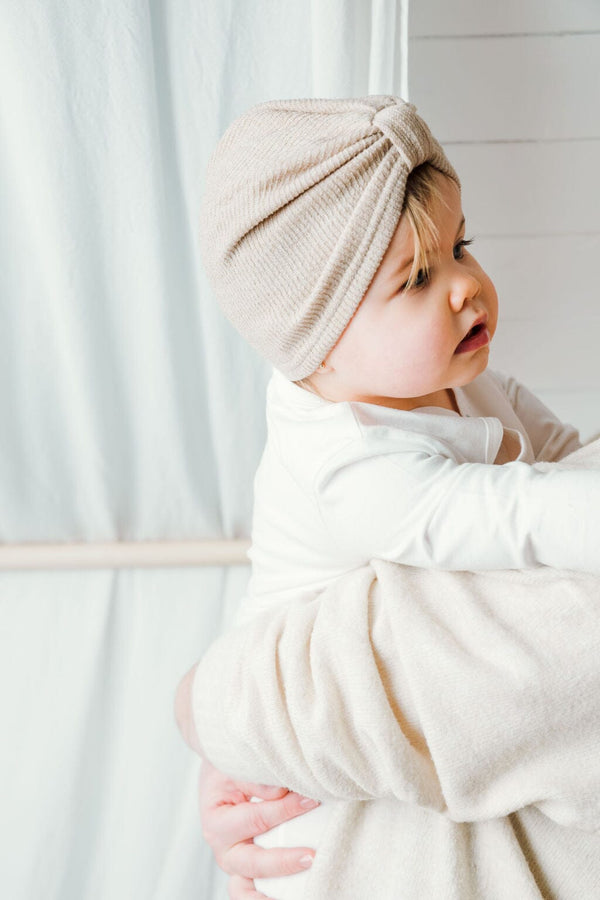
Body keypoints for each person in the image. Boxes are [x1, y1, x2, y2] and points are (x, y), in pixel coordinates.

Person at [176, 95, 600, 898]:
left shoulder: (439, 380)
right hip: (314, 789)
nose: (466, 287)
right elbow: (517, 513)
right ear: (319, 344)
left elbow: (552, 456)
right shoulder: (351, 463)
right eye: (418, 278)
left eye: (461, 246)